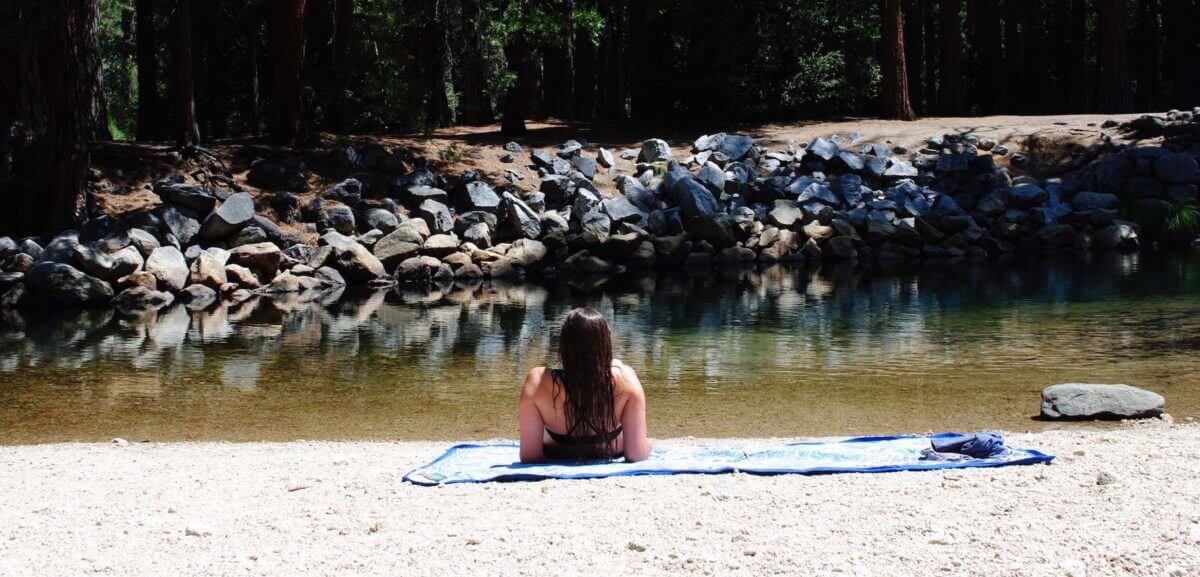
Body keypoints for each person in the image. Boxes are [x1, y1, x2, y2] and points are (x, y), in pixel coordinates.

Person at [518, 307, 651, 463]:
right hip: (609, 451)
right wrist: (648, 444)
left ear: (563, 345)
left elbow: (530, 457)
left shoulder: (538, 381)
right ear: (605, 345)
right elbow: (636, 455)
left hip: (558, 451)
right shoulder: (625, 378)